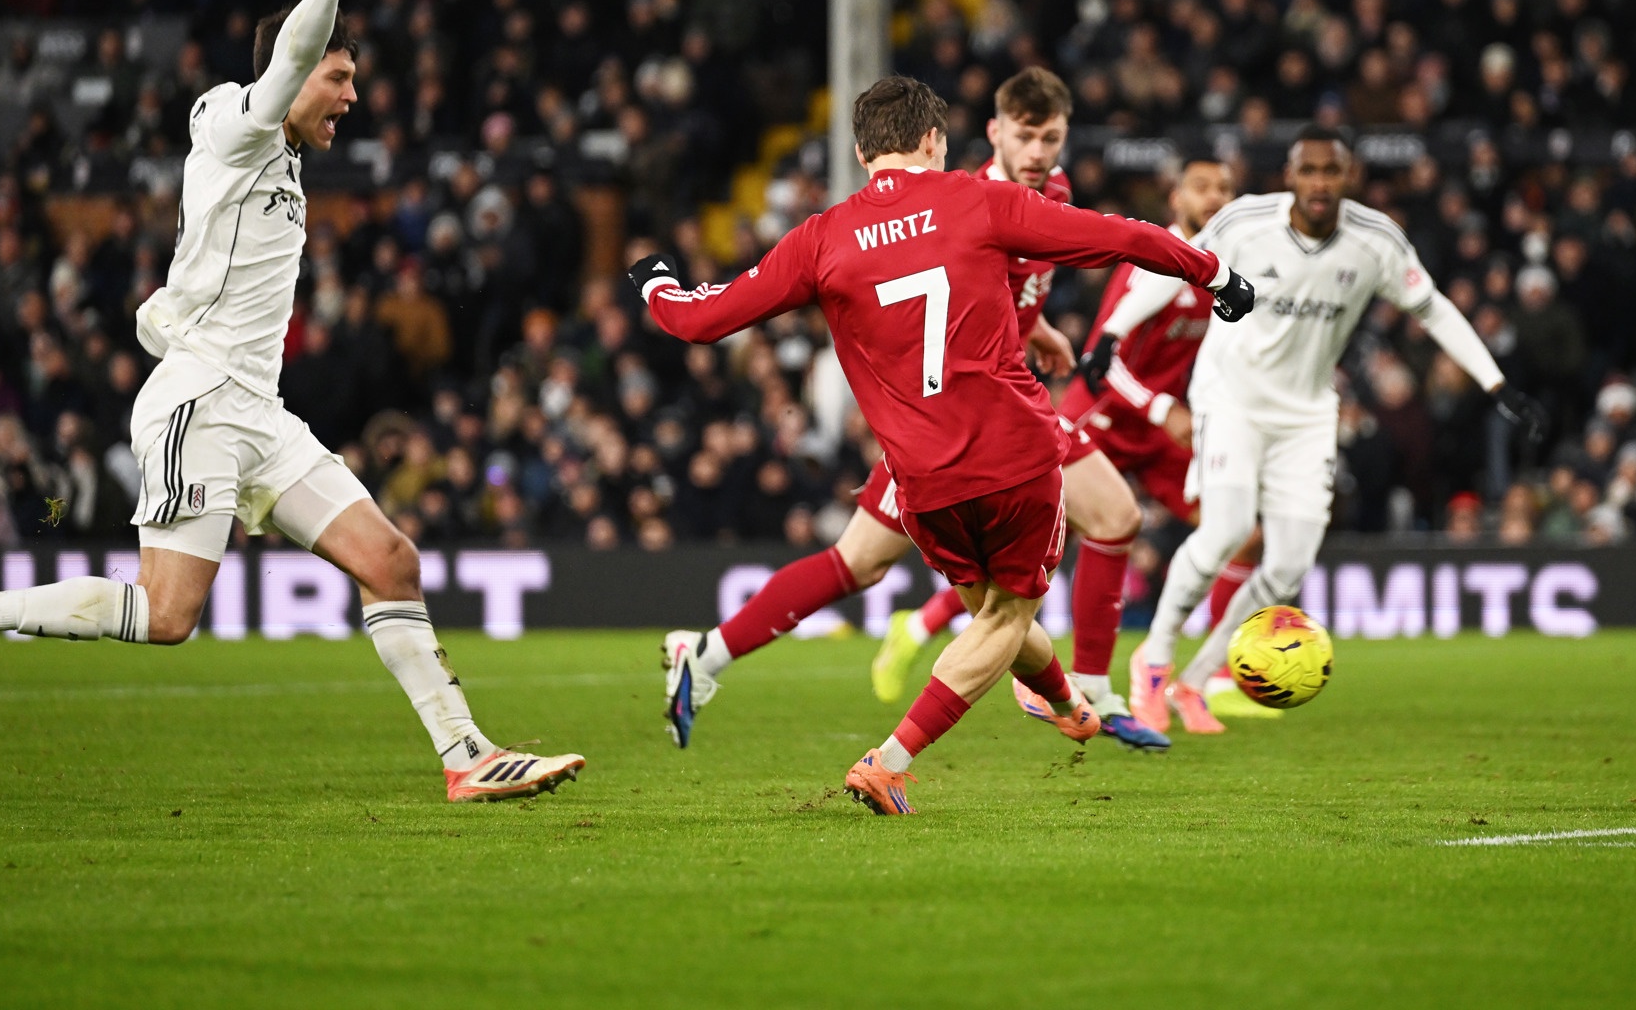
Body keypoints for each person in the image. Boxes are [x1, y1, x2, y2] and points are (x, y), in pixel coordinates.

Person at [0, 0, 583, 805]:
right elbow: (287, 62)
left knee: (391, 560)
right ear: (299, 68)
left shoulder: (283, 159)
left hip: (259, 410)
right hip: (200, 403)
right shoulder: (233, 125)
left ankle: (466, 754)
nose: (353, 97)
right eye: (341, 77)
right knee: (168, 615)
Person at [636, 76, 1254, 814]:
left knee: (984, 610)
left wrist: (655, 285)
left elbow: (702, 321)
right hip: (1014, 456)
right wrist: (1214, 273)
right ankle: (893, 759)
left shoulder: (821, 237)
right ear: (937, 140)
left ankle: (1069, 700)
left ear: (861, 152)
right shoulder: (979, 199)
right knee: (1013, 607)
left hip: (922, 479)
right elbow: (1121, 236)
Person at [1131, 125, 1546, 735]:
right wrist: (1113, 330)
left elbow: (1431, 307)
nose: (1320, 182)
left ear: (1349, 177)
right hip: (1232, 397)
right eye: (1309, 170)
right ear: (1290, 176)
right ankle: (1154, 661)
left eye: (1332, 170)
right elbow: (1175, 266)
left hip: (1307, 412)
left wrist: (1495, 383)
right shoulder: (1246, 221)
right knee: (1225, 530)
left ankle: (1194, 681)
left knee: (1288, 566)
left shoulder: (1375, 241)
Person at [1054, 154, 1274, 728]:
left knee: (1243, 535)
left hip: (1160, 433)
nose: (1214, 197)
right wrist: (1159, 407)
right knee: (1041, 540)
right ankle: (927, 625)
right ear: (1176, 197)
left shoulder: (1224, 273)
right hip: (1102, 416)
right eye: (1201, 186)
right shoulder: (1154, 261)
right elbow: (1100, 359)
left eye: (1224, 187)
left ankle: (1214, 679)